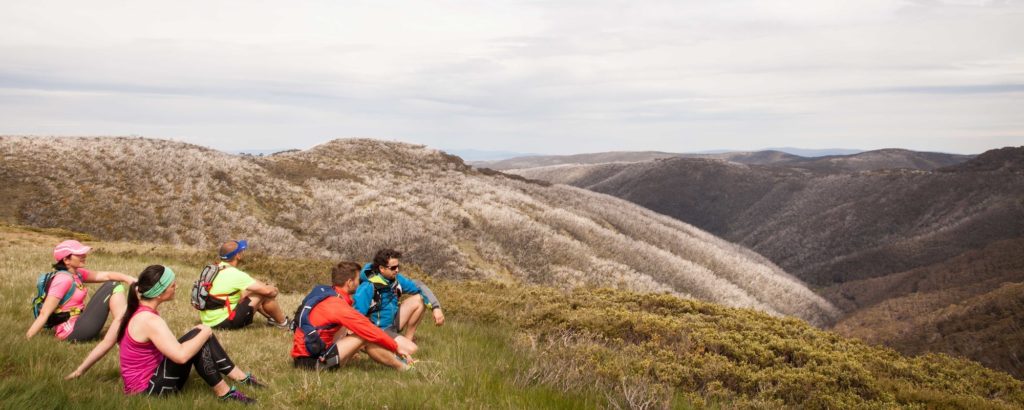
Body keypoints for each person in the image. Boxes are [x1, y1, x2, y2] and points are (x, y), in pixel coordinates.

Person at [115, 264, 262, 402]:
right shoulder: (149, 320)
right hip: (148, 393)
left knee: (198, 334)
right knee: (200, 337)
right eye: (173, 285)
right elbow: (181, 357)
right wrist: (206, 332)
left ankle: (240, 378)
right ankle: (226, 392)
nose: (176, 286)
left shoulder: (137, 310)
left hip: (148, 384)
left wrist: (201, 332)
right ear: (159, 293)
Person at [291, 261, 417, 371]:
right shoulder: (338, 305)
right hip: (314, 363)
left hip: (303, 356)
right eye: (358, 279)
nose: (361, 282)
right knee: (365, 336)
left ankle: (344, 356)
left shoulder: (325, 293)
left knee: (349, 329)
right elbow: (369, 330)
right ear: (350, 282)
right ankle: (403, 368)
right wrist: (395, 347)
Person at [26, 240, 135, 341]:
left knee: (113, 283)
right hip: (72, 332)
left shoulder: (77, 274)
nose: (84, 256)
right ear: (66, 260)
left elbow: (107, 275)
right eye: (79, 254)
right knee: (113, 285)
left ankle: (124, 330)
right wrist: (28, 337)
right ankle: (125, 333)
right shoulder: (63, 280)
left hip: (79, 323)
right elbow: (45, 313)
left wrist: (130, 279)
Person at [353, 248, 444, 343]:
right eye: (393, 268)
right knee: (409, 350)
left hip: (393, 323)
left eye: (397, 266)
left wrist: (435, 307)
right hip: (378, 329)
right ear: (382, 269)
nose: (397, 270)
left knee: (419, 299)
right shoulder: (368, 286)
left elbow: (419, 286)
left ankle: (408, 340)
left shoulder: (396, 279)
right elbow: (357, 315)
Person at [199, 240, 289, 330]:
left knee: (251, 291)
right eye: (241, 251)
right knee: (263, 294)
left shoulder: (215, 269)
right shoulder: (236, 274)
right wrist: (274, 289)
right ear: (237, 255)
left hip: (207, 319)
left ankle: (272, 319)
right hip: (223, 322)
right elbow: (269, 292)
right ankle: (284, 323)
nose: (243, 252)